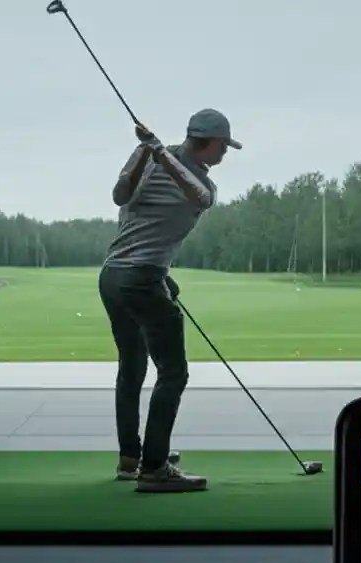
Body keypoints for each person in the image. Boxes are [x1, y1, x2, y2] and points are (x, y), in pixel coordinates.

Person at [98, 108, 242, 493]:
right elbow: (126, 195)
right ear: (205, 142)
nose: (225, 154)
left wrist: (156, 152)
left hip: (113, 277)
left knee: (132, 366)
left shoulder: (165, 163)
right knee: (173, 372)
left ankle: (132, 458)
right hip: (139, 278)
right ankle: (155, 467)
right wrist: (152, 152)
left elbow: (159, 199)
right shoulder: (167, 164)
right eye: (223, 146)